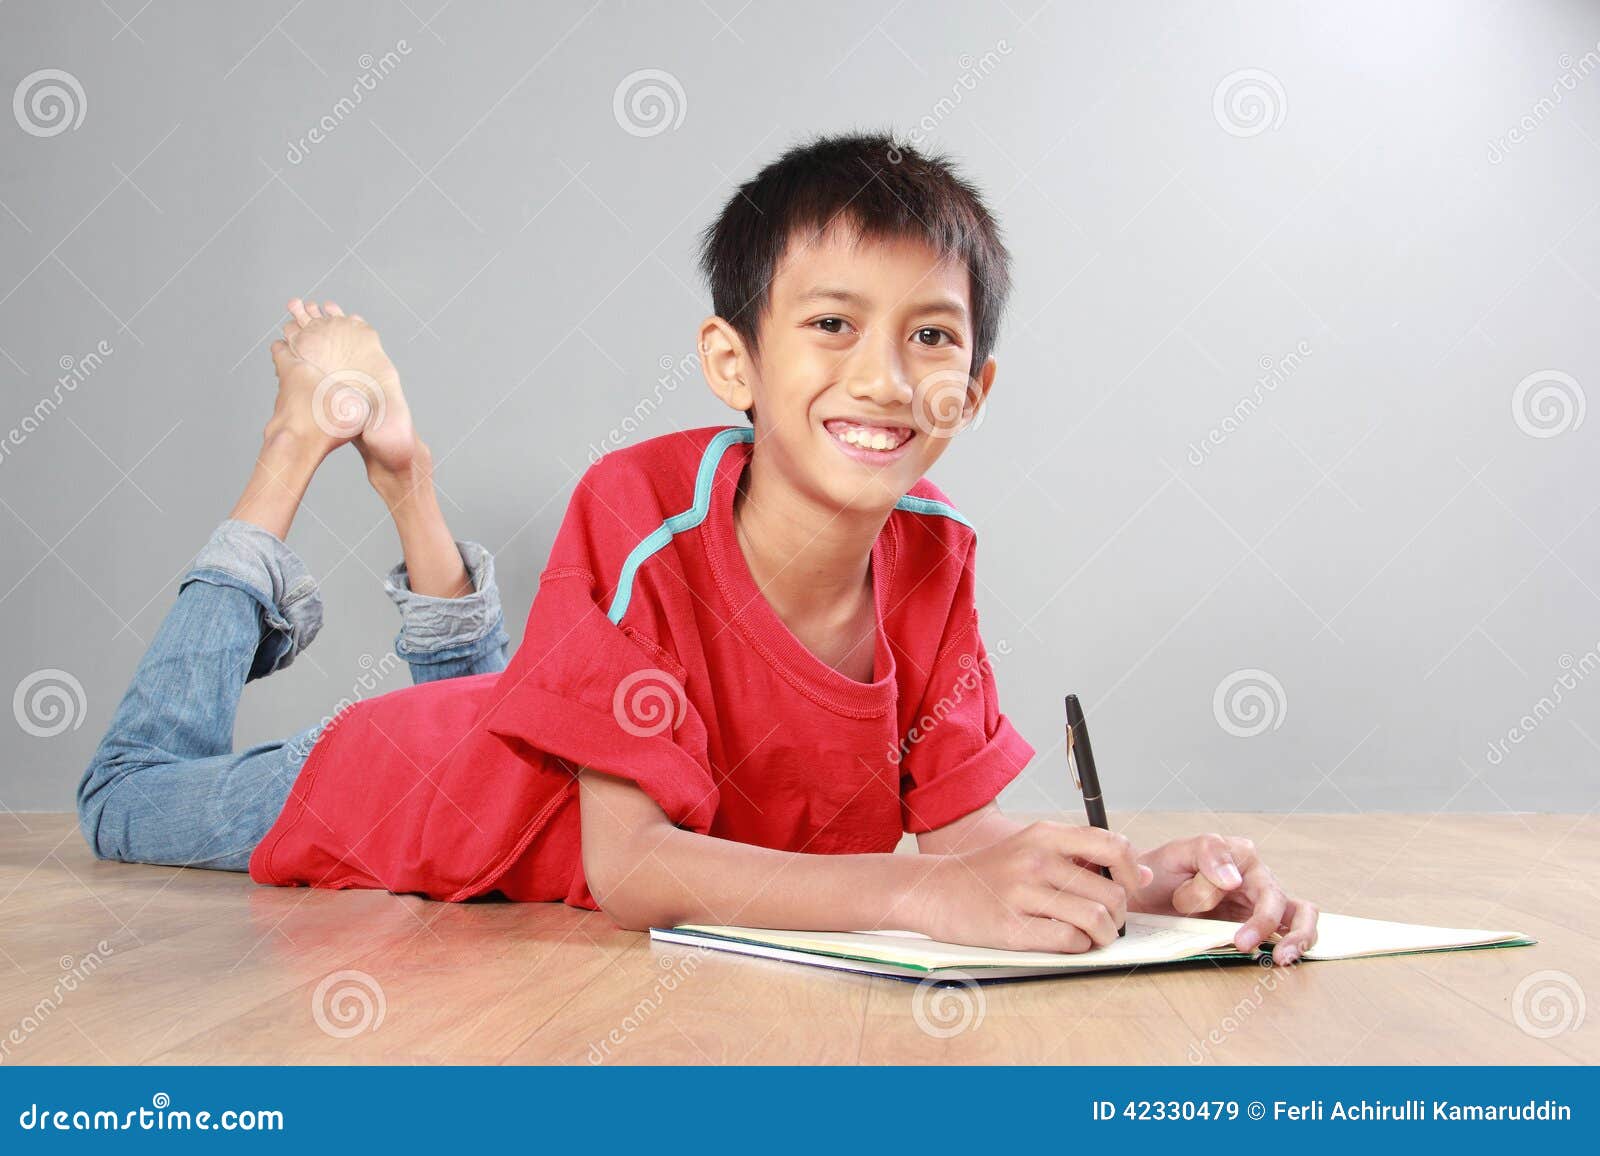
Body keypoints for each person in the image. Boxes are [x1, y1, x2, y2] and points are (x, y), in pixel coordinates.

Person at [77, 132, 1318, 964]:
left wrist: (1141, 879)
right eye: (832, 322)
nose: (884, 377)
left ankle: (409, 479)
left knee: (513, 707)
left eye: (931, 338)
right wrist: (920, 898)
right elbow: (630, 867)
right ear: (735, 361)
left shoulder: (937, 558)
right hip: (406, 787)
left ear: (973, 390)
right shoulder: (642, 507)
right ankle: (296, 455)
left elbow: (962, 842)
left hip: (528, 725)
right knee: (127, 794)